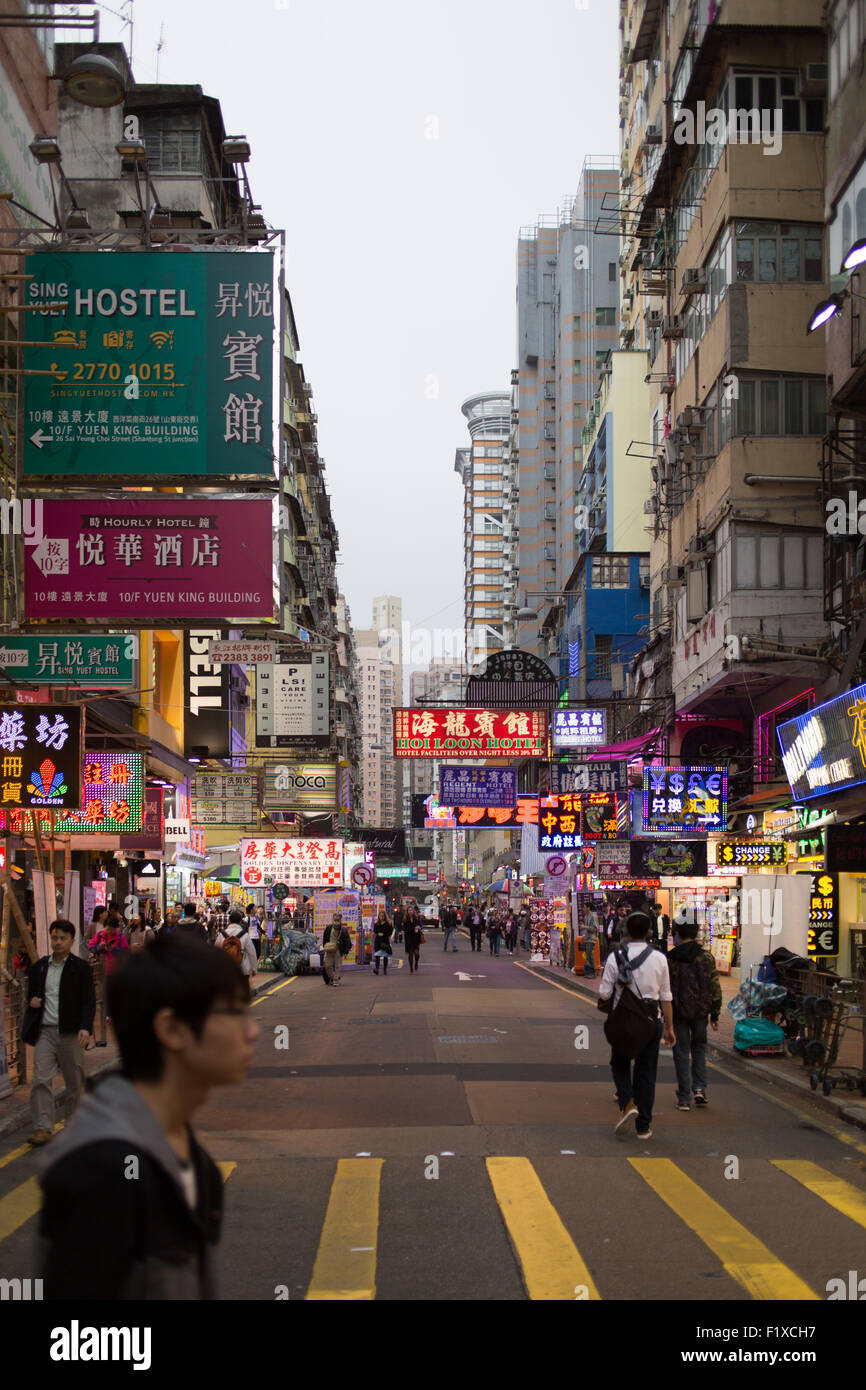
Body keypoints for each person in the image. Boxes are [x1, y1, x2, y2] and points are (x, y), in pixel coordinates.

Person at [36, 935, 259, 1299]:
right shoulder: (103, 1172)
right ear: (171, 1029)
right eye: (234, 1013)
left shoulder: (185, 1154)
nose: (253, 1031)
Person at [598, 910, 675, 1140]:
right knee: (646, 1071)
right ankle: (643, 1126)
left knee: (620, 1063)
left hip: (623, 1020)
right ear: (650, 932)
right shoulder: (660, 958)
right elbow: (666, 997)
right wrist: (669, 1028)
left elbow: (604, 993)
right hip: (652, 1021)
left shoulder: (615, 957)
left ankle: (627, 1102)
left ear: (626, 931)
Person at [27, 919, 95, 1148]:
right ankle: (42, 1128)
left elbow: (88, 1001)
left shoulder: (81, 968)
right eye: (54, 937)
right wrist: (33, 1002)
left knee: (74, 1083)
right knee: (40, 1080)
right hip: (45, 1032)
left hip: (70, 1034)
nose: (57, 942)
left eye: (62, 938)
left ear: (72, 941)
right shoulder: (39, 968)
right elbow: (32, 997)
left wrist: (86, 1027)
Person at [668, 919, 722, 1110]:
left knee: (681, 1052)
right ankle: (699, 1089)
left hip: (678, 1012)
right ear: (697, 933)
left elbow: (666, 989)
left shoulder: (672, 957)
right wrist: (714, 1014)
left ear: (678, 934)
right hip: (700, 1012)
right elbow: (715, 986)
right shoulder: (706, 958)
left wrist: (666, 1017)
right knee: (698, 1049)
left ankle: (684, 1098)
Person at [215, 910, 258, 980]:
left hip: (225, 969)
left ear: (229, 921)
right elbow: (251, 953)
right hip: (242, 969)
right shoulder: (245, 935)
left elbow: (216, 951)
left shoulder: (222, 934)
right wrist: (254, 969)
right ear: (241, 921)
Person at [87, 911, 130, 977]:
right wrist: (99, 947)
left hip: (116, 972)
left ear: (116, 928)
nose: (109, 932)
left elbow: (126, 953)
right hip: (100, 970)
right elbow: (89, 948)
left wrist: (114, 949)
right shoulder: (99, 935)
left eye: (112, 930)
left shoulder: (121, 938)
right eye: (107, 929)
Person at [321, 912, 351, 986]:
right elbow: (325, 938)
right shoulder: (328, 928)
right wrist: (325, 946)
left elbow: (347, 941)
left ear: (340, 920)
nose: (336, 920)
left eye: (338, 919)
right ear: (333, 919)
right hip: (329, 948)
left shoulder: (343, 930)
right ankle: (332, 977)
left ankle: (336, 979)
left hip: (338, 949)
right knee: (327, 964)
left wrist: (346, 951)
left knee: (338, 965)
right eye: (335, 918)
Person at [580, 906, 600, 978]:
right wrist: (584, 938)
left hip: (591, 939)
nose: (583, 909)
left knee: (590, 955)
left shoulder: (593, 916)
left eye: (584, 907)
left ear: (589, 908)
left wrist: (584, 927)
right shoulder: (586, 916)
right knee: (588, 956)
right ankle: (589, 972)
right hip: (587, 938)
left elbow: (595, 928)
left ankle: (593, 973)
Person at [372, 908, 393, 976]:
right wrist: (371, 941)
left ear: (385, 916)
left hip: (385, 941)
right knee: (377, 955)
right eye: (380, 916)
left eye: (383, 916)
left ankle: (385, 969)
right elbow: (374, 933)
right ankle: (377, 969)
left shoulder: (388, 924)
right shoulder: (376, 924)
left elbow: (390, 933)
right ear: (378, 916)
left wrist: (385, 935)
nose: (381, 917)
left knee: (385, 956)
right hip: (378, 941)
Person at [403, 905, 423, 974]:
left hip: (416, 938)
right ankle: (411, 968)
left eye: (411, 910)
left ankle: (416, 963)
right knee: (410, 954)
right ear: (407, 911)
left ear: (413, 911)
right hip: (408, 938)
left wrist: (419, 927)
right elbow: (404, 929)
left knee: (417, 954)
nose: (410, 911)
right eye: (409, 910)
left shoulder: (416, 918)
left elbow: (421, 926)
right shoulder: (405, 919)